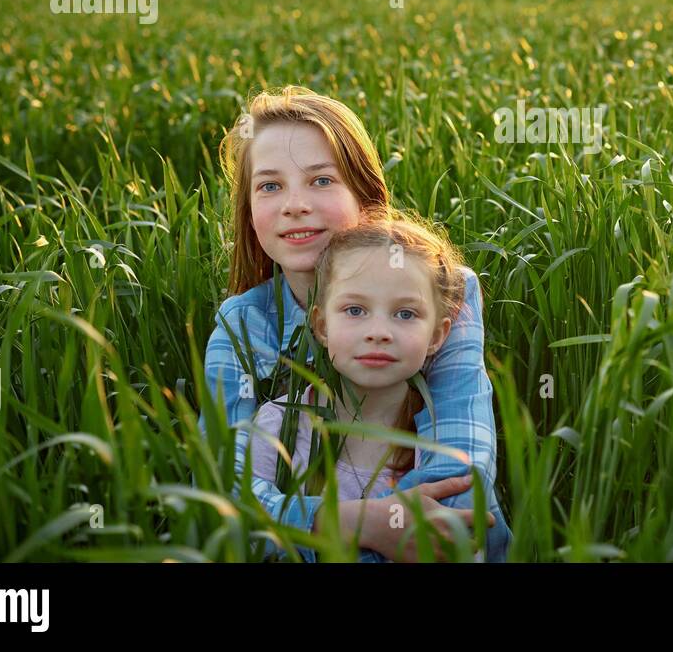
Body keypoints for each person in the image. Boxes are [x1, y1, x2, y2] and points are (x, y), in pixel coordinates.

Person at [197, 85, 508, 561]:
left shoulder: (443, 290)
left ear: (367, 198)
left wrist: (396, 533)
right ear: (250, 213)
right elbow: (222, 494)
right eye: (270, 185)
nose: (294, 204)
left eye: (321, 181)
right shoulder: (242, 326)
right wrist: (357, 525)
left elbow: (464, 464)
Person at [246, 211, 494, 561]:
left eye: (405, 314)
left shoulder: (439, 440)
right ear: (321, 325)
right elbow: (238, 526)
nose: (378, 331)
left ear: (438, 335)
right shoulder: (277, 428)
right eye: (355, 310)